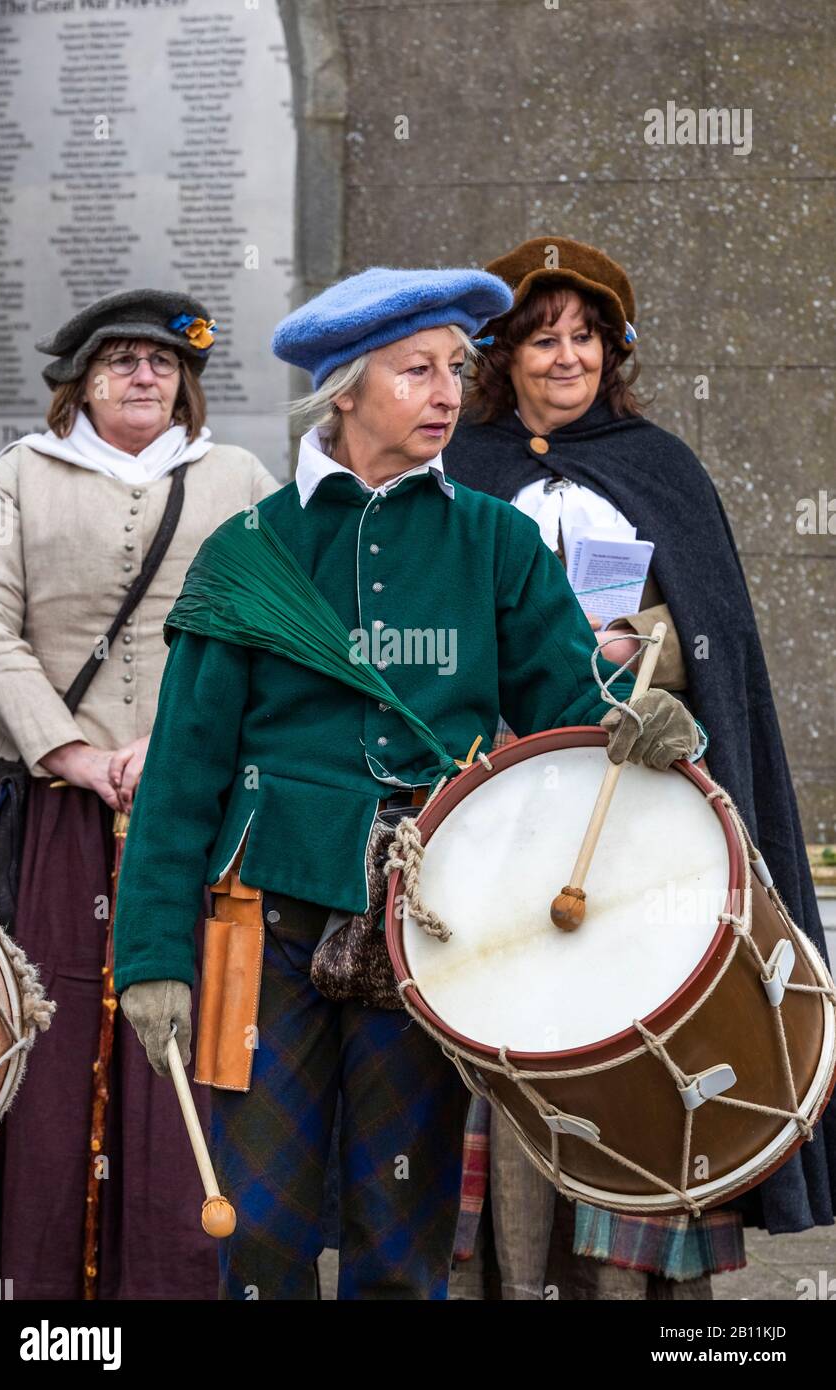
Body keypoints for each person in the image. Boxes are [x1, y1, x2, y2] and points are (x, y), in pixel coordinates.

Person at [111, 266, 701, 1301]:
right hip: (266, 925)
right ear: (342, 388)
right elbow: (180, 775)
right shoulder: (251, 552)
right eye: (415, 369)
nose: (444, 392)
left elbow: (568, 704)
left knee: (404, 1233)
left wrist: (635, 722)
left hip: (430, 923)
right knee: (260, 1231)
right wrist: (153, 953)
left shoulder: (493, 540)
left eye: (455, 368)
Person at [443, 234, 835, 1299]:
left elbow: (718, 640)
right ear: (503, 355)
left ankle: (643, 1296)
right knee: (515, 1034)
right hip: (504, 808)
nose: (563, 358)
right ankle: (515, 1280)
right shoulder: (458, 469)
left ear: (610, 353)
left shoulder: (657, 465)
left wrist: (649, 635)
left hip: (637, 807)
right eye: (540, 339)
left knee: (637, 1026)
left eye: (583, 339)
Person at [0, 288, 279, 1298]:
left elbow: (273, 622)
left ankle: (174, 1277)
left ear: (185, 383)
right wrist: (69, 751)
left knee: (186, 1034)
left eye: (161, 361)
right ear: (80, 384)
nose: (144, 374)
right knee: (52, 1045)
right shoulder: (22, 473)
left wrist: (168, 746)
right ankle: (50, 1299)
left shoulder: (236, 477)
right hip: (57, 806)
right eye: (121, 361)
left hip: (190, 803)